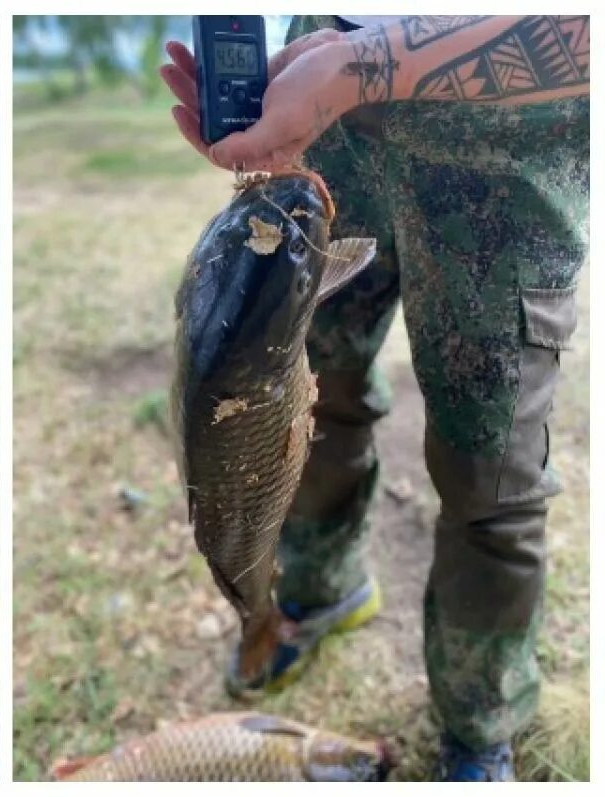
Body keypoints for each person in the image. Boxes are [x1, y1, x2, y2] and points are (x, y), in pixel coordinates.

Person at [161, 15, 588, 781]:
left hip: (512, 135)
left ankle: (477, 718)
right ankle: (318, 591)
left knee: (491, 471)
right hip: (332, 102)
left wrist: (369, 64)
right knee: (307, 397)